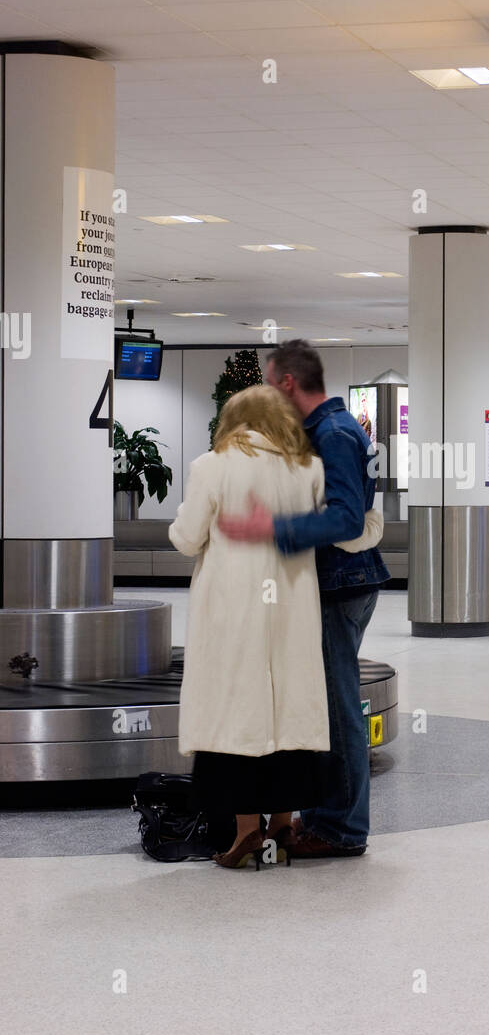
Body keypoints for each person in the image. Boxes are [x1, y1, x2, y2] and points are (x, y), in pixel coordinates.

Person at [168, 384, 379, 870]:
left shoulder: (211, 467)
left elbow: (184, 538)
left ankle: (246, 834)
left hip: (230, 612)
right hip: (292, 611)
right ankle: (283, 827)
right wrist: (375, 527)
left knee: (236, 712)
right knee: (288, 711)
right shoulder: (305, 469)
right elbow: (349, 531)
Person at [219, 340, 390, 859]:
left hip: (340, 585)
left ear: (288, 383)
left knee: (337, 711)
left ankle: (341, 829)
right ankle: (326, 818)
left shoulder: (333, 434)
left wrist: (271, 527)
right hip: (344, 582)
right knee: (329, 706)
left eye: (271, 385)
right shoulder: (333, 429)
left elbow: (346, 518)